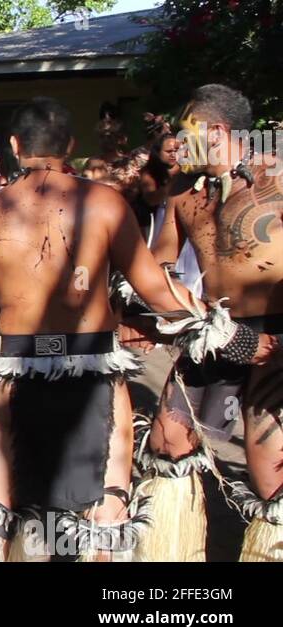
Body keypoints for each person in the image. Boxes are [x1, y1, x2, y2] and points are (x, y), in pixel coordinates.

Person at [0, 97, 230, 562]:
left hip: (18, 368)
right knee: (105, 515)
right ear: (71, 146)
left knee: (4, 513)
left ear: (15, 145)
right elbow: (158, 292)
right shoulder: (104, 204)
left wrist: (8, 323)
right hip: (95, 370)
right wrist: (221, 326)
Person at [136, 84, 283, 562]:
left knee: (270, 470)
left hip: (274, 338)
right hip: (210, 334)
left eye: (185, 132)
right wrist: (161, 315)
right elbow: (157, 268)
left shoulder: (276, 178)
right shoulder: (181, 192)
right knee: (170, 441)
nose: (176, 144)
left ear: (217, 131)